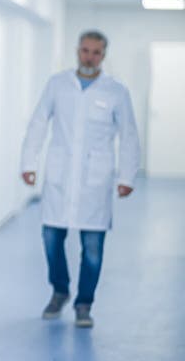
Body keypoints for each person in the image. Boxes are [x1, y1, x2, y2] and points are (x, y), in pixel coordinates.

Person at [20, 30, 140, 328]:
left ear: (104, 55)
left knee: (93, 247)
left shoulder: (116, 92)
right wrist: (28, 162)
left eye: (96, 52)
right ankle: (59, 290)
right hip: (60, 176)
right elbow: (38, 123)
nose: (90, 56)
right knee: (51, 238)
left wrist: (127, 176)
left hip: (94, 180)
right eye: (85, 50)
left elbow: (129, 136)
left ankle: (84, 302)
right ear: (77, 51)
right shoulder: (58, 85)